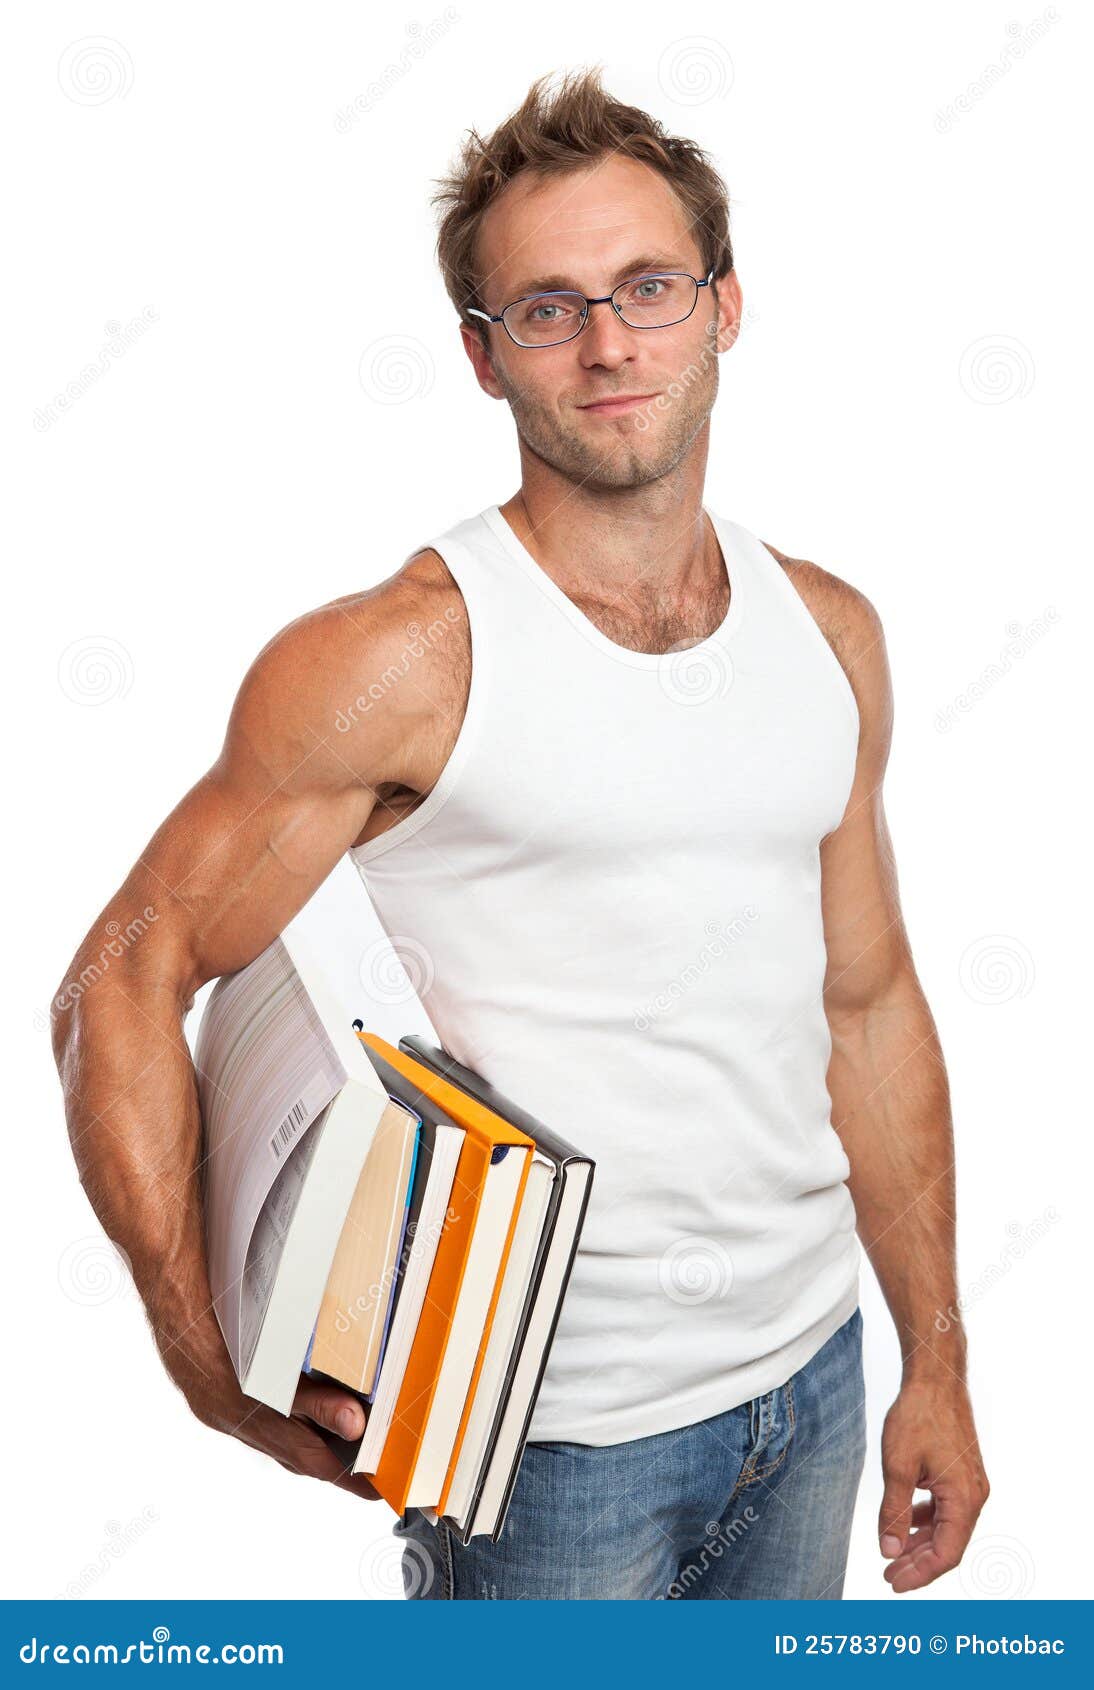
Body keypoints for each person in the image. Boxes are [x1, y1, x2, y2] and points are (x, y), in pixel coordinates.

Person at [51, 67, 988, 1600]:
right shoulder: (398, 659)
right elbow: (119, 983)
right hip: (542, 1446)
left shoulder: (829, 635)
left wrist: (931, 1357)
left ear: (723, 305)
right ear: (483, 356)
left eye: (648, 287)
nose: (608, 343)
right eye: (548, 309)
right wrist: (205, 1361)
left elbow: (867, 1004)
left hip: (809, 1378)